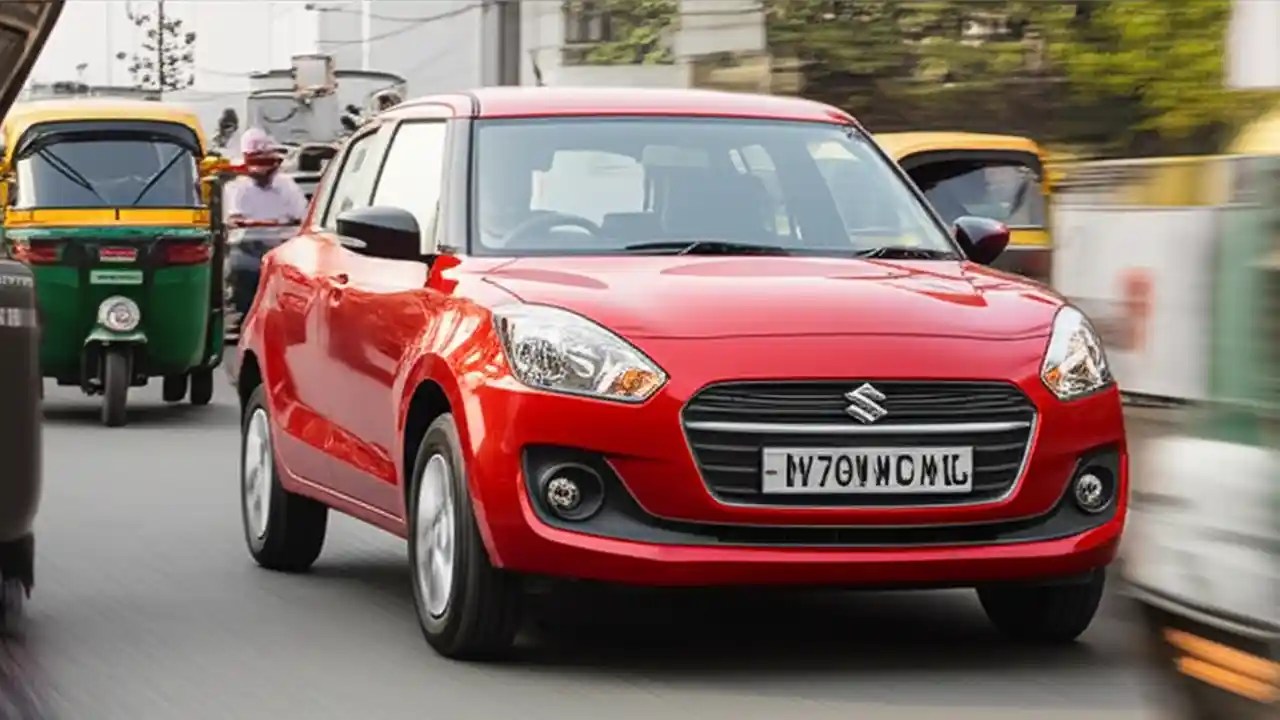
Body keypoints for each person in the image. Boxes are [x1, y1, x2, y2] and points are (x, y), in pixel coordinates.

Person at [224, 128, 309, 226]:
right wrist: (279, 222)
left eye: (267, 161)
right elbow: (234, 222)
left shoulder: (288, 186)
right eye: (257, 161)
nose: (263, 170)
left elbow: (303, 219)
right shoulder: (235, 187)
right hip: (247, 240)